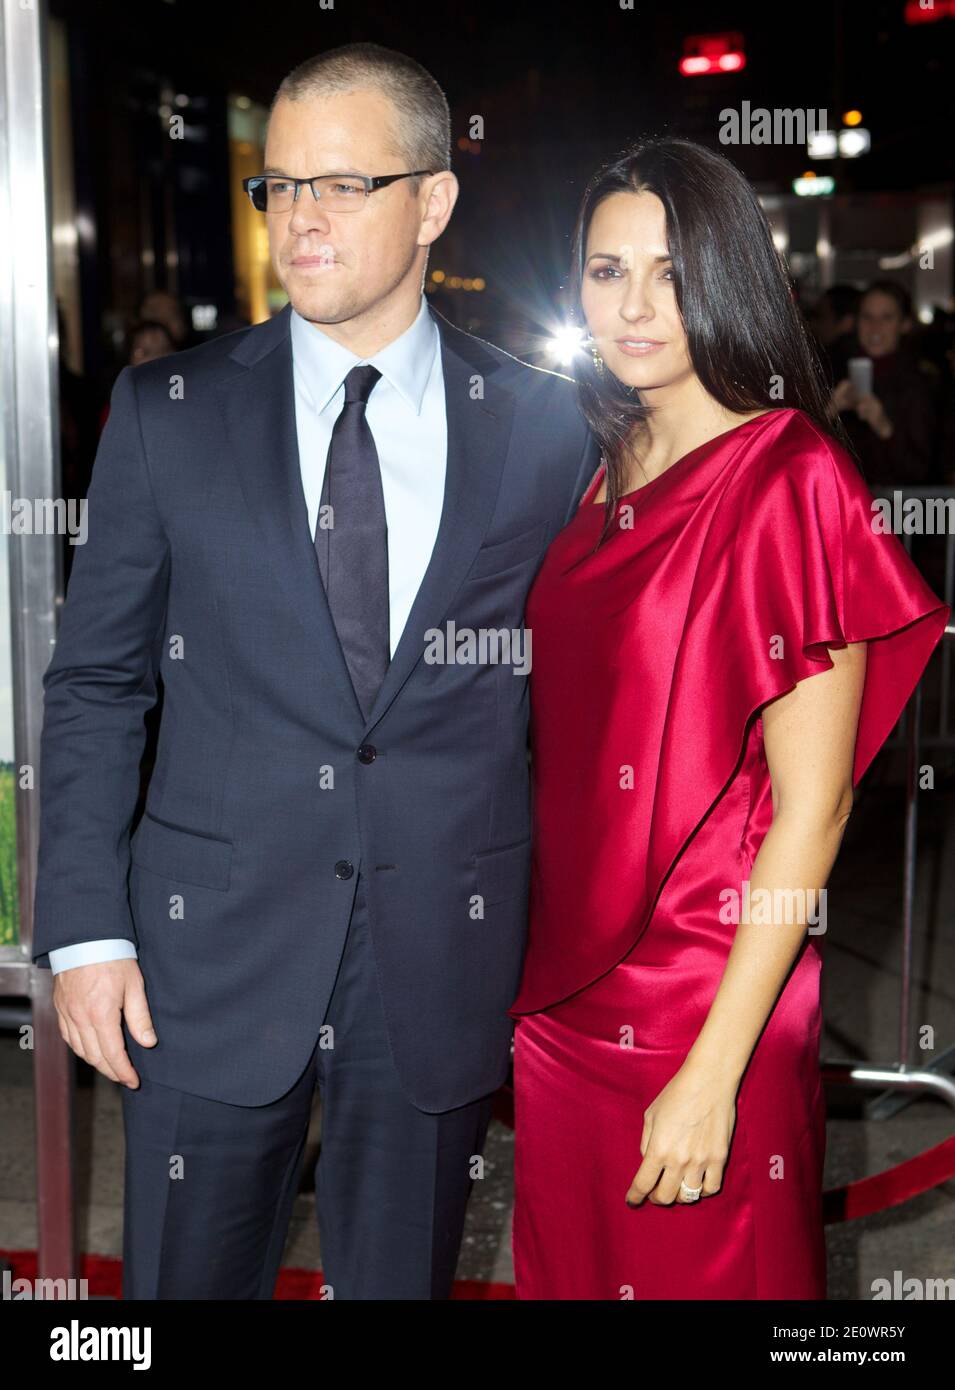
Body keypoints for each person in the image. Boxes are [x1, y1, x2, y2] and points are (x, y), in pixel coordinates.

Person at [31, 42, 599, 1300]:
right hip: (199, 958)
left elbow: (583, 691)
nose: (302, 218)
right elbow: (95, 686)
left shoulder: (542, 426)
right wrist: (79, 931)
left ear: (433, 201)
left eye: (342, 184)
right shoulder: (166, 410)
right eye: (280, 186)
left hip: (440, 955)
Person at [507, 137, 949, 1300]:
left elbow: (816, 807)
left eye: (672, 271)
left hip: (709, 992)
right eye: (608, 272)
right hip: (562, 993)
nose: (637, 305)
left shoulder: (786, 471)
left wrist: (716, 1067)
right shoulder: (609, 456)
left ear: (731, 278)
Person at [831, 280, 938, 486]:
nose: (875, 327)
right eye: (867, 317)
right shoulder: (835, 369)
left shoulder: (921, 383)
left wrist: (884, 427)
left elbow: (923, 472)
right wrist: (828, 412)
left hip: (901, 511)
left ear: (905, 324)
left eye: (887, 317)